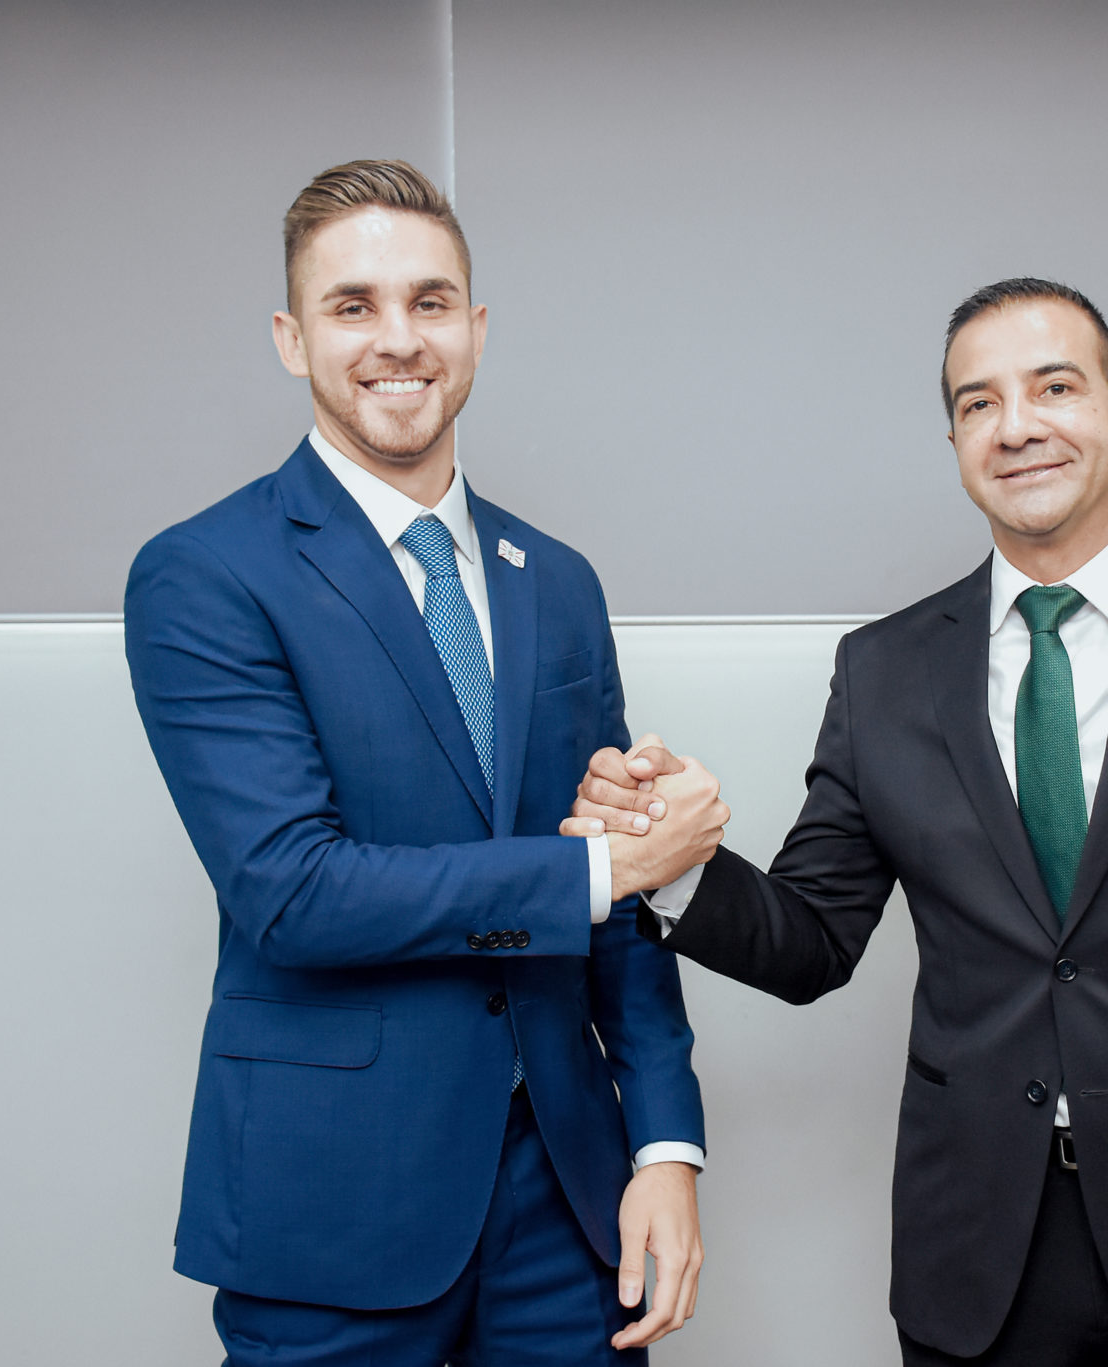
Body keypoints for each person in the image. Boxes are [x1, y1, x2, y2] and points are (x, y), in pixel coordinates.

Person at [573, 279, 1108, 1367]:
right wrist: (675, 863)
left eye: (1053, 387)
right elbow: (811, 938)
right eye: (977, 403)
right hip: (977, 1255)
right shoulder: (883, 669)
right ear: (954, 440)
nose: (1015, 425)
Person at [124, 159, 720, 1366]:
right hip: (332, 1196)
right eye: (352, 306)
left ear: (477, 330)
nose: (398, 339)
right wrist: (593, 872)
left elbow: (615, 882)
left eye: (430, 302)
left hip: (566, 1192)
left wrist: (662, 1140)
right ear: (293, 339)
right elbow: (294, 893)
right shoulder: (204, 573)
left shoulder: (555, 578)